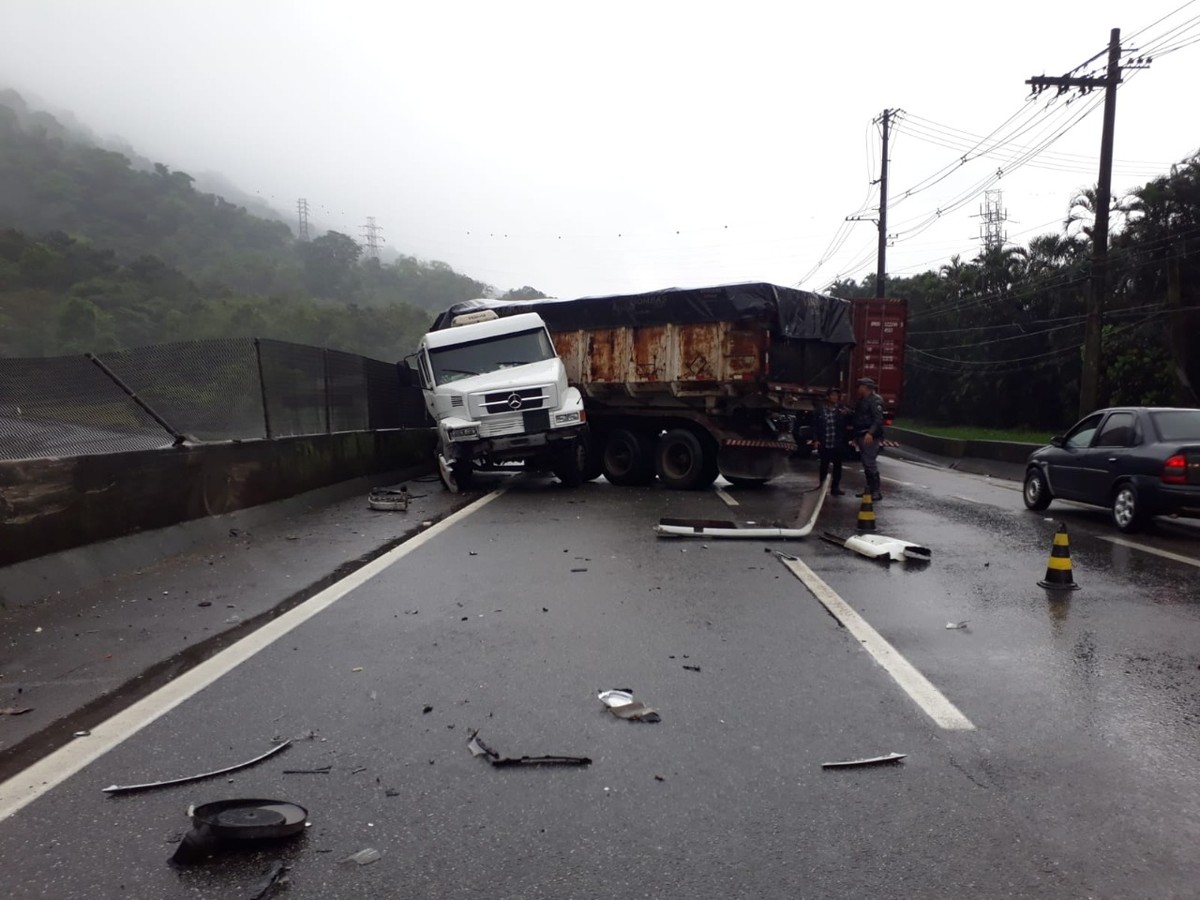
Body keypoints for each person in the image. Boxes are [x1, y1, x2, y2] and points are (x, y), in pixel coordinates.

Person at [852, 377, 886, 501]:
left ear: (866, 387)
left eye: (860, 386)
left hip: (870, 436)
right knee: (866, 463)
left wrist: (870, 433)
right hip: (861, 434)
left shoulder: (875, 400)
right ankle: (869, 489)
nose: (858, 389)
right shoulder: (862, 400)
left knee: (870, 463)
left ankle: (876, 491)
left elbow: (878, 419)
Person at [812, 387, 849, 495]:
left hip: (837, 442)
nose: (834, 397)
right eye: (832, 395)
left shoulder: (841, 410)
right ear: (828, 397)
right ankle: (822, 485)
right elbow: (815, 426)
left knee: (837, 465)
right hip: (825, 442)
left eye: (836, 396)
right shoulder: (820, 410)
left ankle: (835, 487)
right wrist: (816, 439)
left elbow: (847, 423)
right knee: (824, 465)